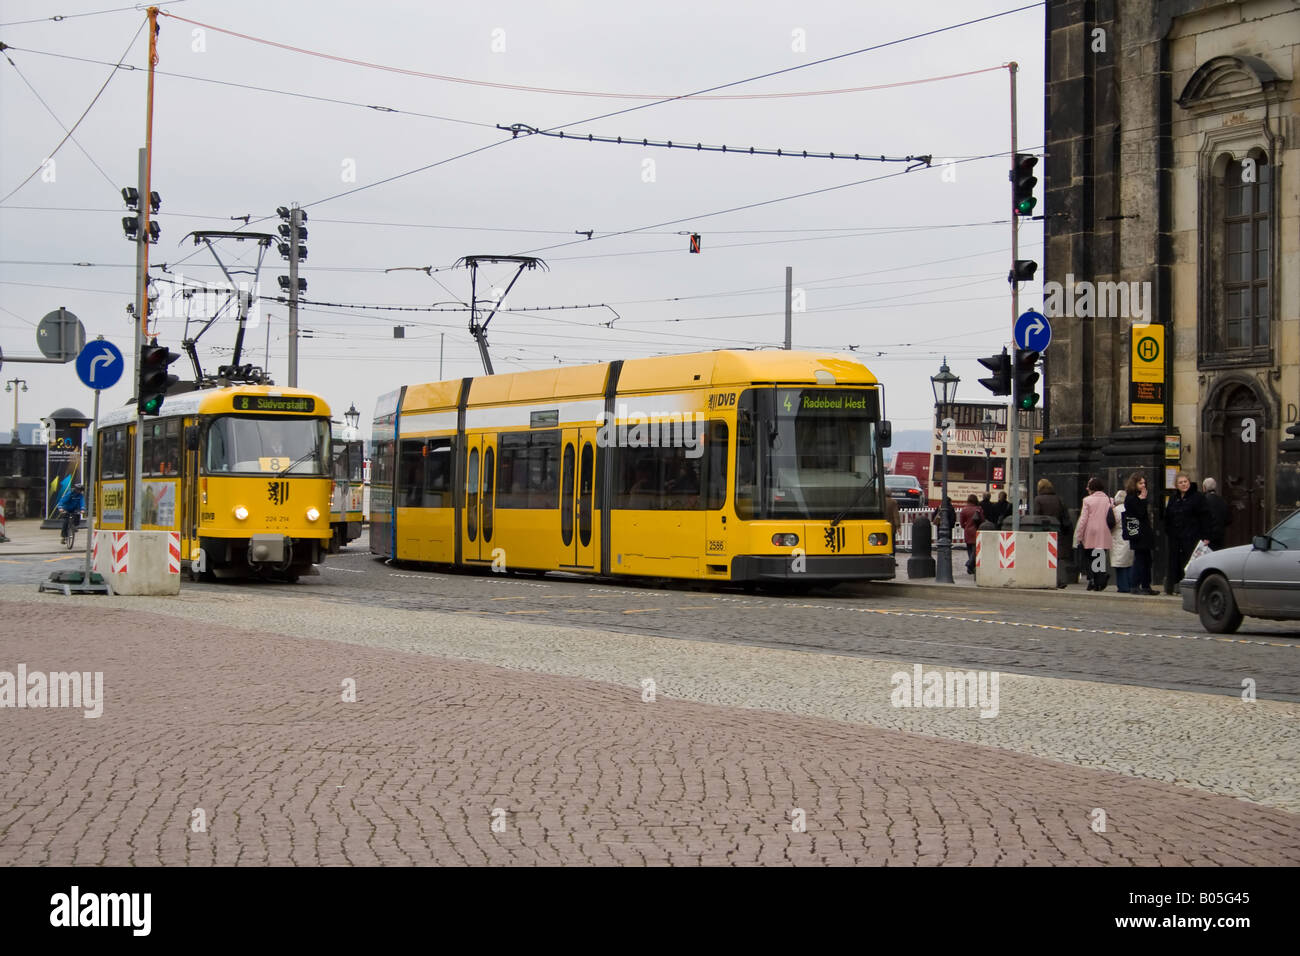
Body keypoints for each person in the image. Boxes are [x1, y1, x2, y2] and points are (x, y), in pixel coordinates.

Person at [1164, 472, 1210, 591]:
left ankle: (1191, 586)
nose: (1184, 484)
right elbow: (1168, 516)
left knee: (1189, 561)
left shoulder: (1198, 497)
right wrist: (1169, 531)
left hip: (1192, 535)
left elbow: (1205, 517)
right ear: (1176, 485)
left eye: (1185, 482)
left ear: (1189, 482)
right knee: (1175, 561)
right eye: (1180, 482)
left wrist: (1206, 536)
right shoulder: (1174, 498)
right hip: (1176, 536)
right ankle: (1176, 585)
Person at [1073, 476, 1114, 591]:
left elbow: (1083, 520)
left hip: (1090, 532)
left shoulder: (1087, 500)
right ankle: (1099, 580)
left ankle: (1095, 580)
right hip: (1104, 531)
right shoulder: (1109, 500)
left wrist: (1079, 536)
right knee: (1099, 556)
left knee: (1090, 557)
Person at [1122, 472, 1157, 595]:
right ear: (1134, 484)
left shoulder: (1139, 496)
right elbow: (1139, 513)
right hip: (1137, 533)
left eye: (1144, 483)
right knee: (1140, 559)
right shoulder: (1131, 497)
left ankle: (1146, 585)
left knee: (1147, 559)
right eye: (1140, 483)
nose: (1143, 485)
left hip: (1144, 532)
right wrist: (1142, 500)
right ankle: (1135, 585)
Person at [1033, 479, 1070, 588]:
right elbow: (1065, 515)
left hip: (1043, 531)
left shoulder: (1038, 499)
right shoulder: (1058, 499)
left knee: (1044, 556)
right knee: (1058, 556)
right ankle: (1062, 580)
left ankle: (1045, 579)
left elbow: (1036, 516)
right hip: (1058, 530)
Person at [1110, 489, 1133, 593]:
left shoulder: (1115, 510)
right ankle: (1130, 584)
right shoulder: (1130, 508)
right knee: (1129, 563)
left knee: (1119, 564)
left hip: (1118, 538)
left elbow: (1111, 523)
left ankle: (1123, 586)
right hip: (1129, 538)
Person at [1201, 476, 1231, 550]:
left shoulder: (1203, 501)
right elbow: (1229, 519)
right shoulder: (1222, 500)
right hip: (1220, 537)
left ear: (1204, 487)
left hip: (1206, 538)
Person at [958, 494, 984, 574]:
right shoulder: (978, 509)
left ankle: (970, 567)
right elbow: (982, 520)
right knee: (975, 550)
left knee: (969, 550)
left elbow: (962, 523)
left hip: (967, 532)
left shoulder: (964, 510)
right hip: (976, 531)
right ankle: (970, 564)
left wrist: (966, 526)